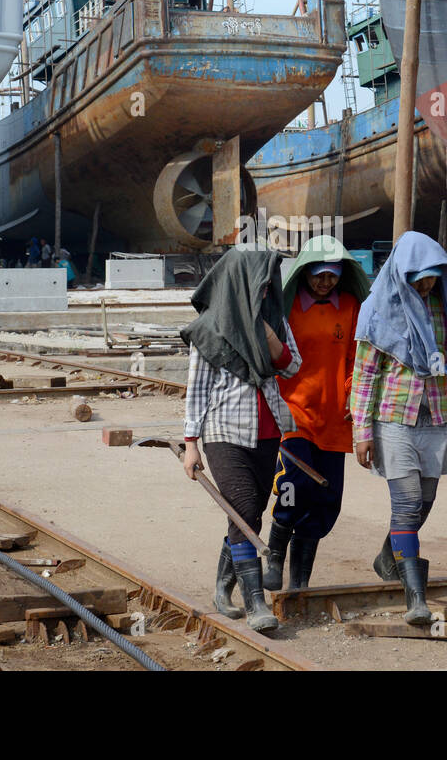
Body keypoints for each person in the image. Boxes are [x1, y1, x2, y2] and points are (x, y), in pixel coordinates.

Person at [351, 231, 447, 625]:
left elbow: (446, 351)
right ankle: (416, 599)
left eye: (432, 276)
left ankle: (388, 558)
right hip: (393, 418)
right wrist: (361, 431)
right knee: (406, 505)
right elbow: (365, 375)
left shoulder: (442, 306)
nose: (425, 284)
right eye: (418, 277)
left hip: (435, 415)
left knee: (425, 503)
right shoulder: (376, 311)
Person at [181, 248, 301, 633]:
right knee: (245, 508)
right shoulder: (210, 326)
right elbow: (197, 390)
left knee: (248, 514)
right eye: (260, 284)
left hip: (268, 432)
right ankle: (256, 603)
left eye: (269, 285)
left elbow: (294, 364)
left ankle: (223, 584)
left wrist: (266, 334)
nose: (265, 291)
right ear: (241, 283)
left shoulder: (275, 319)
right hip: (223, 432)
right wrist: (191, 443)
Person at [264, 235, 370, 591]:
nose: (324, 282)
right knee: (295, 484)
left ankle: (300, 583)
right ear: (304, 272)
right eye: (317, 274)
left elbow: (358, 359)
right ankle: (275, 552)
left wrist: (354, 395)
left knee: (327, 500)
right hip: (294, 413)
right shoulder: (286, 307)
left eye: (332, 275)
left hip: (335, 418)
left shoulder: (352, 307)